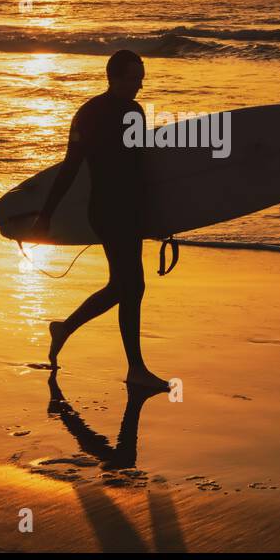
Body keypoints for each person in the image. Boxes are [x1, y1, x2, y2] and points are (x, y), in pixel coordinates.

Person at [31, 50, 169, 390]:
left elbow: (142, 169)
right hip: (107, 210)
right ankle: (135, 369)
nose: (140, 84)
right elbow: (69, 168)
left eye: (141, 77)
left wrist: (164, 214)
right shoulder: (90, 115)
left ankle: (64, 329)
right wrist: (45, 216)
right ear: (115, 78)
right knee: (131, 286)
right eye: (135, 78)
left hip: (131, 209)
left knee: (123, 286)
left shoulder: (135, 112)